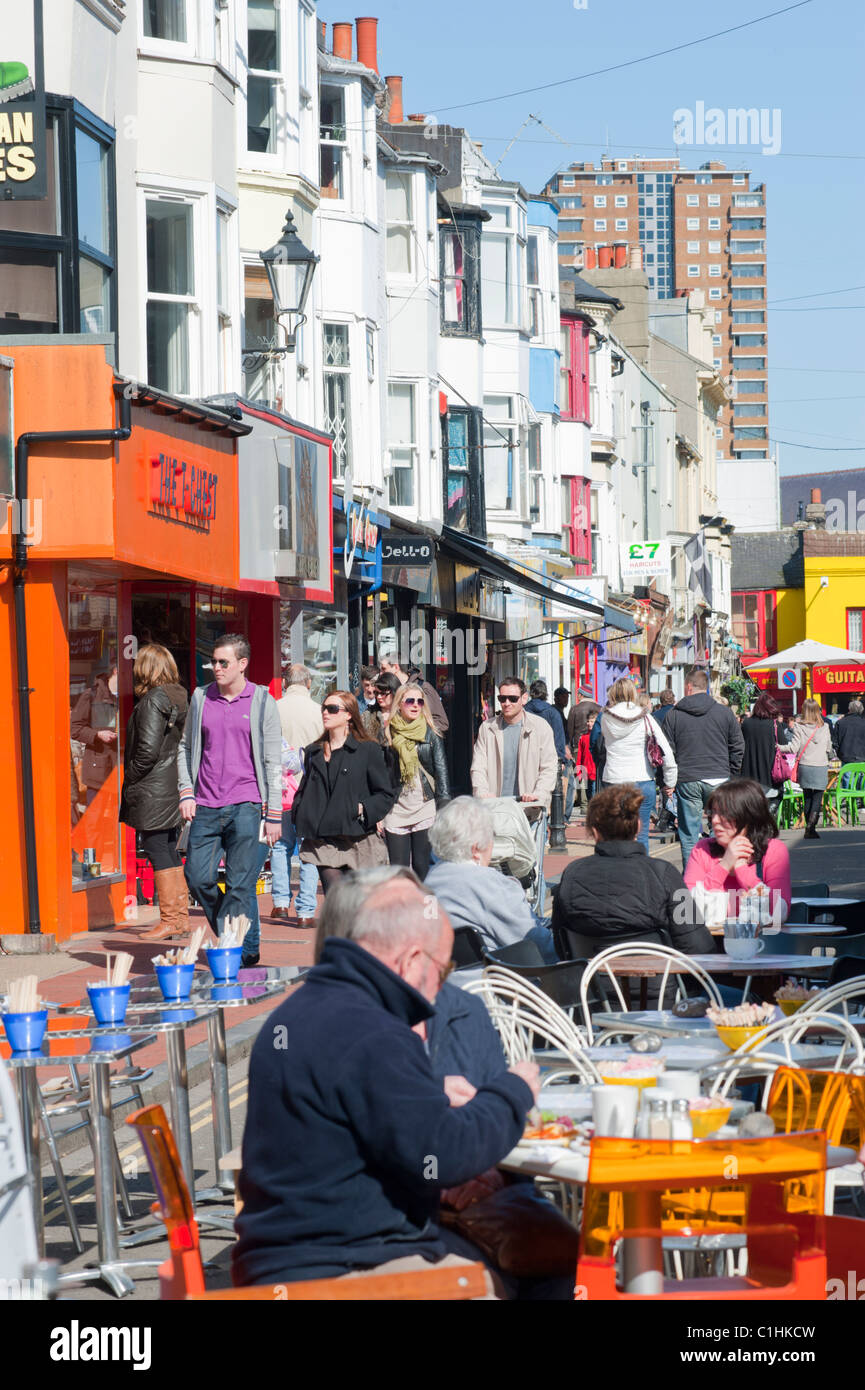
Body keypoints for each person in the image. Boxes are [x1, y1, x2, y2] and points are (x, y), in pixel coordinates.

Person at [232, 867, 539, 1289]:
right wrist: (513, 1091)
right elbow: (442, 1156)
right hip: (340, 1268)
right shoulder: (374, 1030)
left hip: (287, 1255)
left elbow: (350, 1105)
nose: (440, 988)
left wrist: (427, 1092)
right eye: (442, 969)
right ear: (413, 959)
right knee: (525, 1270)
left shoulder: (301, 1011)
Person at [179, 635, 282, 968]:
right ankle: (242, 940)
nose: (216, 668)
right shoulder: (199, 698)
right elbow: (184, 747)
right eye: (213, 662)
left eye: (224, 662)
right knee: (198, 878)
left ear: (242, 664)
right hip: (206, 805)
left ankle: (233, 951)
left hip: (247, 805)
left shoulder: (262, 702)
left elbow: (272, 760)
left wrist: (275, 813)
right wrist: (186, 791)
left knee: (240, 884)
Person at [552, 783, 712, 958]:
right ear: (637, 827)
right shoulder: (664, 873)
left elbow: (561, 944)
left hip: (590, 983)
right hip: (659, 982)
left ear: (595, 832)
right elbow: (699, 946)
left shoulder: (572, 875)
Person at [425, 798, 556, 962]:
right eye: (490, 838)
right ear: (475, 849)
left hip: (436, 980)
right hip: (489, 982)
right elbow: (535, 942)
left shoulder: (427, 883)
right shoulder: (495, 886)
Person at [119, 644, 189, 943]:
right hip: (169, 782)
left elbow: (146, 751)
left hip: (153, 786)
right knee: (169, 848)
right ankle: (180, 919)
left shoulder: (151, 701)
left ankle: (171, 920)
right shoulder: (178, 695)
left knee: (158, 848)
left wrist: (129, 777)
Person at [292, 691, 395, 891]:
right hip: (323, 839)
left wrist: (361, 808)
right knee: (337, 897)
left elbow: (385, 793)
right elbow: (305, 789)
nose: (325, 713)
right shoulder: (314, 751)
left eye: (332, 709)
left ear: (348, 715)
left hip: (358, 837)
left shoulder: (368, 750)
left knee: (359, 902)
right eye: (324, 708)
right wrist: (300, 811)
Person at [662, 666, 745, 871]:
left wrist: (667, 781)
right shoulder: (724, 713)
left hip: (688, 778)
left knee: (689, 835)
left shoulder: (673, 715)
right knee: (724, 832)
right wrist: (731, 772)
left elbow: (666, 752)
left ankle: (693, 880)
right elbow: (738, 746)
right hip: (719, 777)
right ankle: (723, 875)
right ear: (706, 688)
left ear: (688, 687)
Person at [684, 778, 791, 923]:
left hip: (759, 943)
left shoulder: (773, 850)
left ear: (748, 817)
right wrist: (725, 865)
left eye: (724, 814)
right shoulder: (702, 849)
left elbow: (779, 911)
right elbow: (686, 911)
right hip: (711, 943)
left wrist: (741, 869)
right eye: (713, 812)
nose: (714, 820)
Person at [598, 676, 677, 851]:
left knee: (616, 835)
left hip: (614, 781)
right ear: (633, 693)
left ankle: (619, 876)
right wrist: (670, 782)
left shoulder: (605, 717)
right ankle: (640, 876)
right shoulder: (645, 717)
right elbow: (666, 752)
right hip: (642, 779)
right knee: (641, 835)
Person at [271, 664, 323, 924]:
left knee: (280, 845)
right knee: (308, 848)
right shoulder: (318, 711)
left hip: (281, 789)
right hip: (310, 789)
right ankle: (305, 910)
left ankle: (280, 902)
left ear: (285, 684)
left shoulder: (274, 708)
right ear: (308, 683)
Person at [382, 683, 450, 880]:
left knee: (422, 866)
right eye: (410, 701)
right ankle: (403, 909)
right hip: (396, 809)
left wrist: (443, 806)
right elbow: (381, 775)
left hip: (424, 806)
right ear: (400, 704)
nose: (415, 705)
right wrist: (379, 810)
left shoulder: (431, 734)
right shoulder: (388, 734)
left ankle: (425, 908)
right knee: (399, 871)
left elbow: (441, 770)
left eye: (420, 702)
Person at [470, 676, 558, 811]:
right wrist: (482, 792)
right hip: (494, 809)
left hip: (529, 809)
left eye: (512, 698)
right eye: (502, 698)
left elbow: (548, 768)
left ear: (524, 698)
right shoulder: (487, 729)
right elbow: (478, 767)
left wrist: (539, 794)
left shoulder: (541, 727)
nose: (506, 703)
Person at [70, 662, 119, 805]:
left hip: (122, 772)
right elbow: (75, 729)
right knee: (96, 822)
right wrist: (98, 735)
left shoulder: (129, 695)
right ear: (116, 671)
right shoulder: (92, 694)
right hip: (98, 774)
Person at [789, 698, 834, 840]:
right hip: (820, 765)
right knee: (817, 797)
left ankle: (809, 827)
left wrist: (779, 747)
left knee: (807, 797)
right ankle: (811, 827)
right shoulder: (824, 726)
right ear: (817, 711)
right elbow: (829, 748)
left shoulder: (798, 726)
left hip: (805, 765)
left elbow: (794, 747)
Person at [740, 692, 791, 812]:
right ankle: (769, 814)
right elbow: (783, 744)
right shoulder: (774, 725)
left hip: (750, 772)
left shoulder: (746, 723)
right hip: (770, 771)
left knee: (752, 805)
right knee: (774, 797)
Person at [378, 654, 449, 736]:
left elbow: (441, 722)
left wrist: (414, 732)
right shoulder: (388, 691)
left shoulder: (424, 688)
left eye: (384, 669)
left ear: (396, 667)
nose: (380, 673)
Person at [652, 690, 678, 830]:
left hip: (659, 756)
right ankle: (667, 819)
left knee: (663, 787)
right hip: (675, 756)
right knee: (673, 788)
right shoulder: (677, 715)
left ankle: (665, 818)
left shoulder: (653, 716)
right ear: (673, 699)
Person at [574, 711, 598, 814]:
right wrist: (578, 770)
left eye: (592, 721)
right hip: (585, 769)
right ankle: (586, 808)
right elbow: (579, 755)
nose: (589, 723)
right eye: (588, 721)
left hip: (595, 769)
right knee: (584, 791)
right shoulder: (583, 737)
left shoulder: (599, 736)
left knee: (593, 792)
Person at [832, 698, 865, 765]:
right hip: (863, 759)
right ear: (862, 710)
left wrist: (840, 755)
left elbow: (835, 743)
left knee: (848, 775)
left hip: (846, 759)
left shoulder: (840, 723)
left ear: (849, 709)